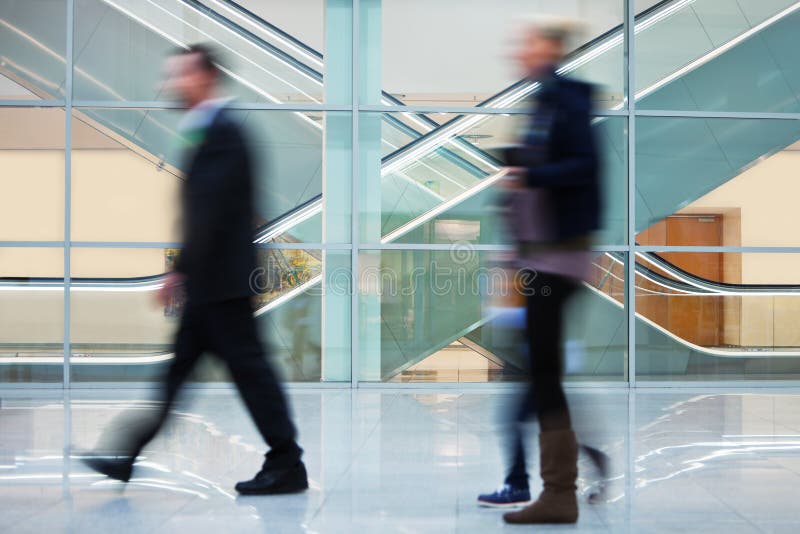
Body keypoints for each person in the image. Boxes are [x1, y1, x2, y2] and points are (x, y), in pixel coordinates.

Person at [82, 44, 308, 496]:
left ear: (206, 77)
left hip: (222, 285)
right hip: (213, 284)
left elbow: (211, 211)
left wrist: (178, 270)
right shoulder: (209, 130)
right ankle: (126, 455)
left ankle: (287, 462)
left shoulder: (223, 131)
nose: (171, 83)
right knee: (182, 376)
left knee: (250, 377)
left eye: (180, 75)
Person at [477, 17, 601, 524]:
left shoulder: (565, 100)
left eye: (528, 44)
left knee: (542, 373)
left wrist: (528, 174)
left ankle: (558, 492)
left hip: (556, 258)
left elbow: (582, 165)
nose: (519, 52)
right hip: (537, 258)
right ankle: (560, 485)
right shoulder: (545, 102)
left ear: (551, 49)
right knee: (542, 373)